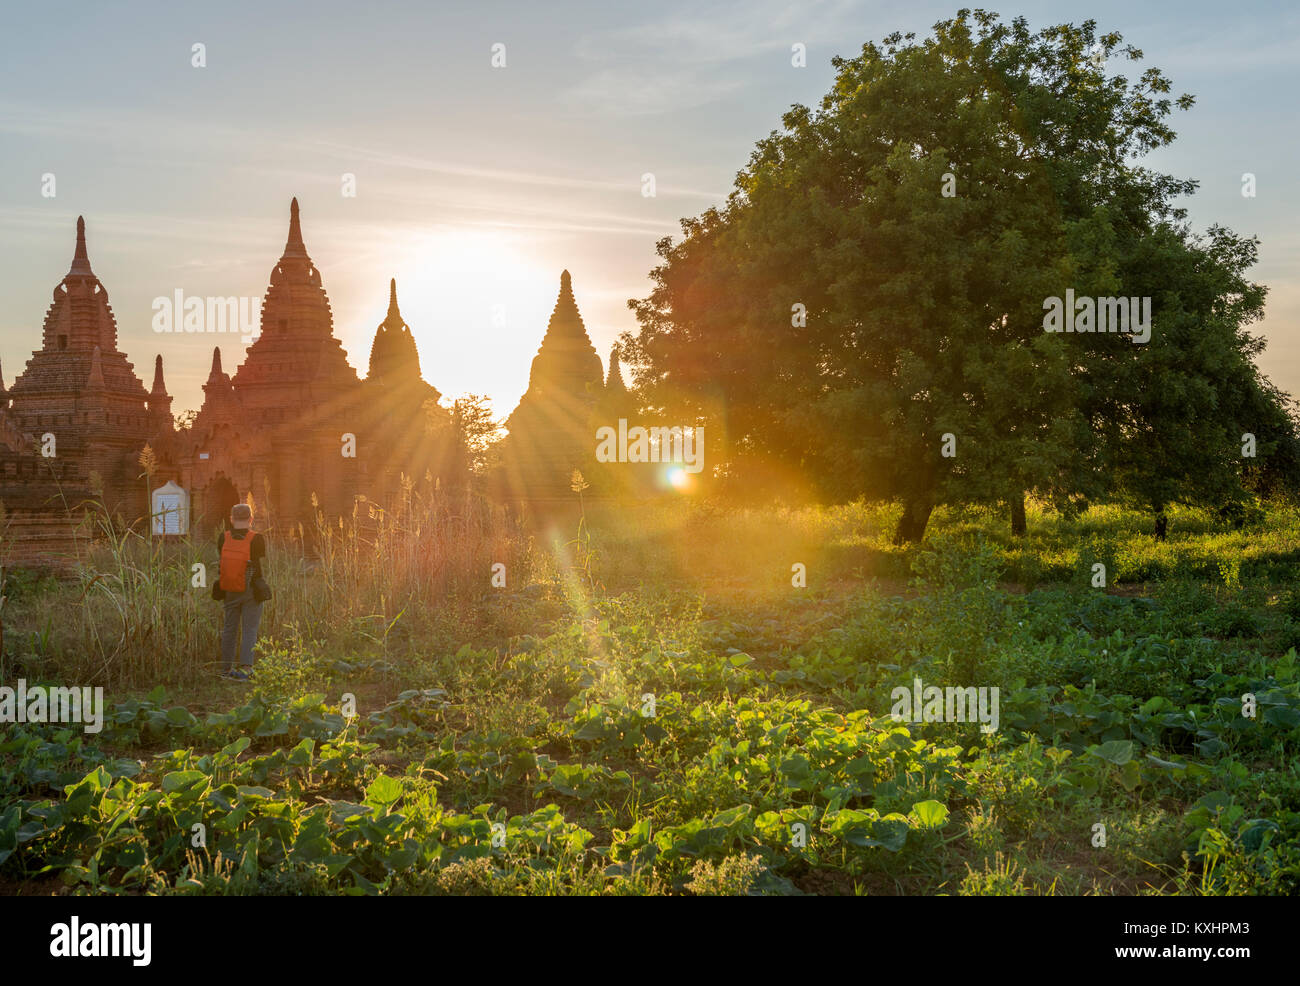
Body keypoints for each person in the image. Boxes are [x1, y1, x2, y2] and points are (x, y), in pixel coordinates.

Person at [213, 502, 269, 680]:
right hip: (250, 589)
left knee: (229, 629)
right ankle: (246, 669)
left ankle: (226, 670)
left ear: (231, 519)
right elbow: (259, 563)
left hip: (229, 589)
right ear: (250, 519)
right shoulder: (257, 539)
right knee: (249, 629)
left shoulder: (223, 537)